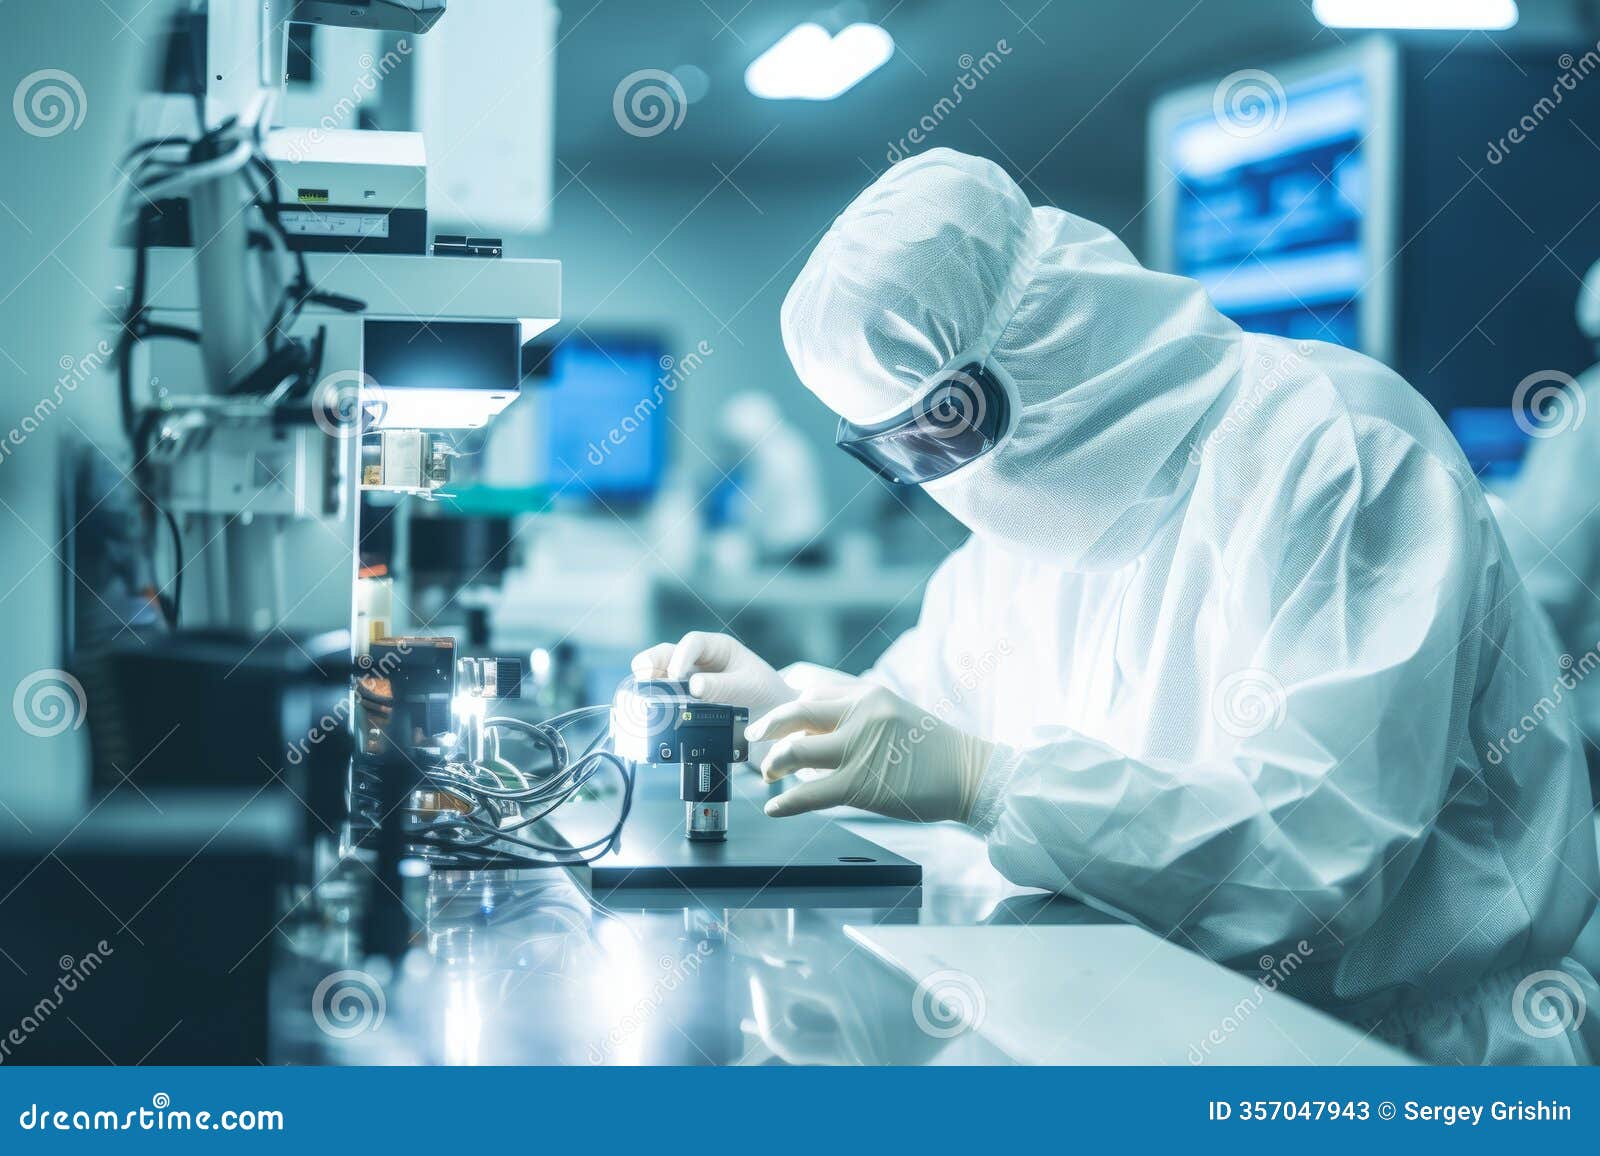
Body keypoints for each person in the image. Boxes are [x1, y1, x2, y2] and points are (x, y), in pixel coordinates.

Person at [634, 149, 1599, 1064]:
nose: (930, 477)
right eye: (893, 451)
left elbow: (1311, 858)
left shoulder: (1333, 451)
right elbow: (916, 720)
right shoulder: (1026, 536)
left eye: (934, 433)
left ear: (1028, 348)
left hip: (1389, 1063)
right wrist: (787, 708)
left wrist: (987, 783)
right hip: (1145, 1022)